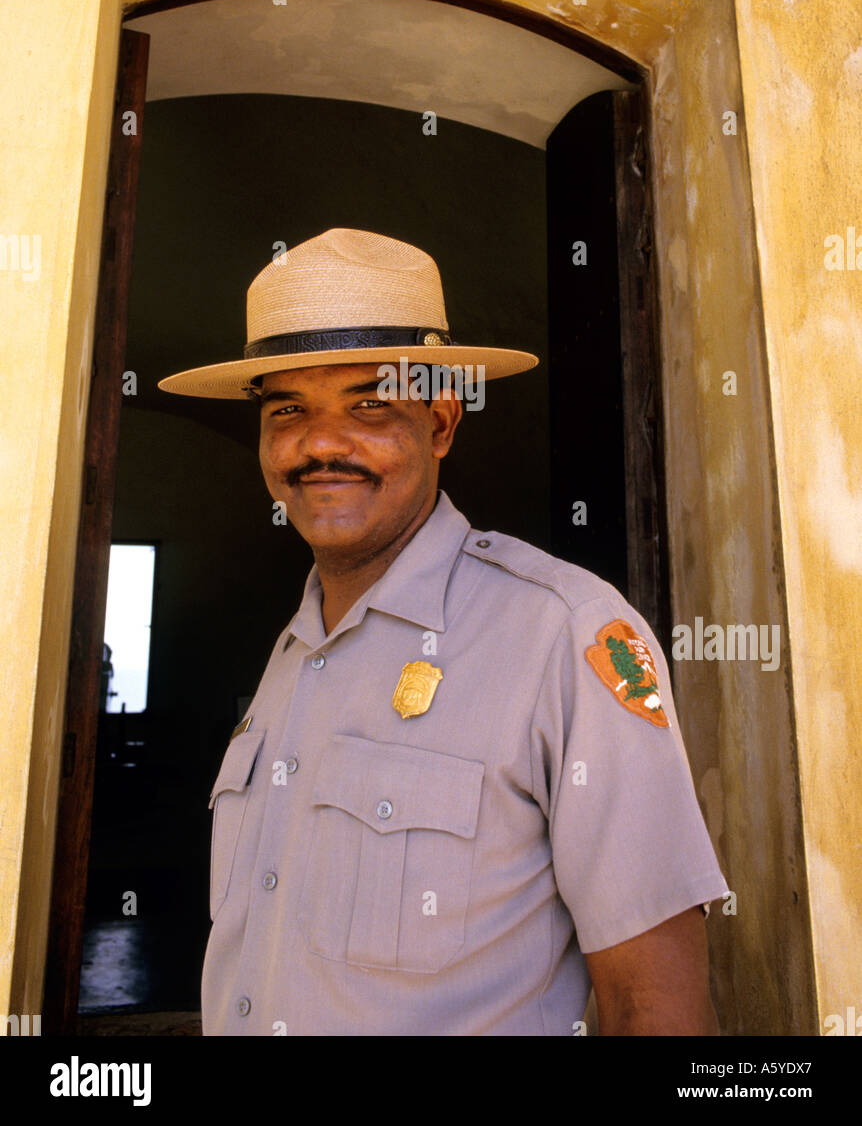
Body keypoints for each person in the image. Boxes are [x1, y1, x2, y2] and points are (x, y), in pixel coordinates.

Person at [159, 227, 728, 1036]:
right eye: (289, 409)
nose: (320, 443)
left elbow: (655, 1006)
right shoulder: (292, 655)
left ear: (441, 422)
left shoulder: (562, 635)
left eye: (369, 404)